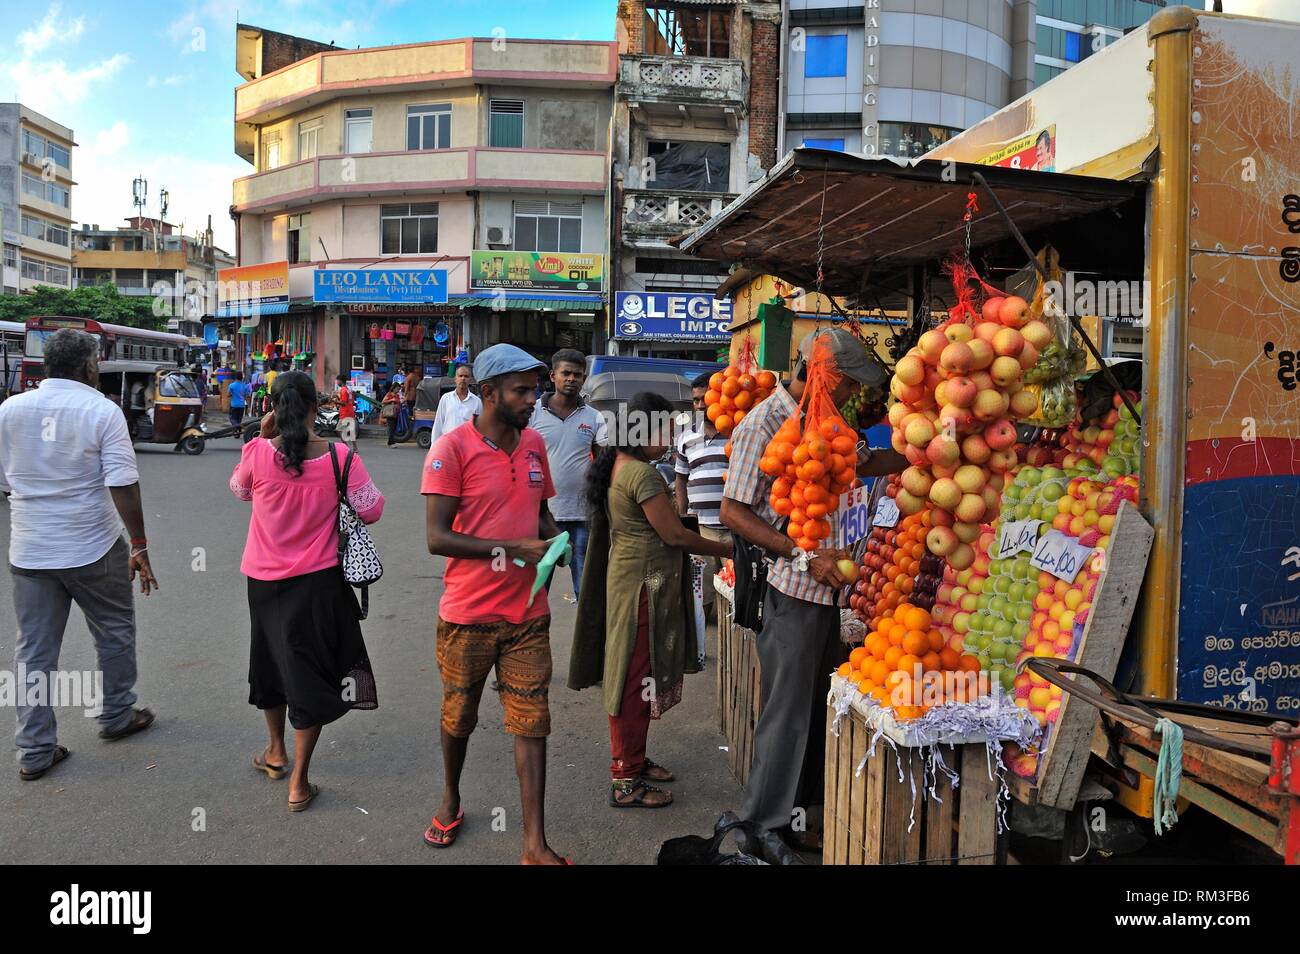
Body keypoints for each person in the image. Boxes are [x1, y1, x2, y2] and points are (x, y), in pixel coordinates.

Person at [721, 328, 904, 851]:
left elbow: (866, 463)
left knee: (812, 711)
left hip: (826, 593)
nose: (855, 397)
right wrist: (804, 555)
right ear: (830, 376)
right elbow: (732, 512)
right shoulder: (766, 422)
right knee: (786, 713)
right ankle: (759, 828)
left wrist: (931, 449)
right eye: (851, 386)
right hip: (793, 589)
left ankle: (792, 819)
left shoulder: (826, 422)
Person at [421, 343, 569, 864]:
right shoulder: (450, 450)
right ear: (489, 393)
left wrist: (558, 541)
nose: (534, 399)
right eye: (523, 391)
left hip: (528, 615)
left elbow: (541, 515)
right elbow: (437, 539)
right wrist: (513, 548)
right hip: (467, 615)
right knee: (459, 716)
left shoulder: (533, 445)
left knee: (533, 723)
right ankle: (451, 795)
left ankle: (534, 844)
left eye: (536, 389)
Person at [0, 329, 158, 781]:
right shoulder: (101, 410)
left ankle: (33, 751)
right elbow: (123, 482)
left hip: (30, 549)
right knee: (113, 631)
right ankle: (116, 715)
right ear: (90, 366)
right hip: (92, 545)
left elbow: (6, 477)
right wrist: (141, 545)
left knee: (33, 651)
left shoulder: (9, 410)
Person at [229, 370, 384, 812]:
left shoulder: (258, 453)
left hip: (262, 583)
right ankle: (298, 780)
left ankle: (275, 749)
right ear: (318, 406)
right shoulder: (340, 459)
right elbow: (371, 511)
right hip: (317, 585)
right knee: (309, 673)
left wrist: (259, 439)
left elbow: (240, 491)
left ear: (273, 409)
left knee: (270, 662)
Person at [570, 392, 731, 808]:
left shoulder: (623, 467)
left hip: (634, 583)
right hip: (642, 588)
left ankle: (635, 761)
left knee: (636, 676)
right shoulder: (641, 474)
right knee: (632, 680)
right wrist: (732, 550)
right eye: (665, 427)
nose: (673, 435)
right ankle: (625, 781)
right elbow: (673, 535)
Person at [528, 348, 606, 600]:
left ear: (584, 379)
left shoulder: (594, 417)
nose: (571, 379)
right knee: (536, 591)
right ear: (553, 376)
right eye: (566, 373)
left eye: (577, 374)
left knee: (586, 593)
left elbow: (604, 463)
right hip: (541, 516)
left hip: (583, 515)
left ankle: (587, 641)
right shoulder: (532, 414)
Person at [675, 371, 731, 619]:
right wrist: (683, 516)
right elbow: (680, 478)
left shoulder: (737, 431)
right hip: (701, 530)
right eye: (695, 400)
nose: (699, 405)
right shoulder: (686, 437)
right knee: (702, 595)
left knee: (736, 594)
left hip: (735, 529)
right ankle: (700, 648)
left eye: (704, 399)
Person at [431, 363, 481, 443]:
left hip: (467, 447)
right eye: (460, 376)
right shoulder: (446, 398)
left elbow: (479, 429)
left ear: (470, 380)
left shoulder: (477, 402)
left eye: (466, 376)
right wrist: (434, 448)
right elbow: (438, 424)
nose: (463, 378)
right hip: (448, 445)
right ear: (455, 379)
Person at [335, 373, 357, 451]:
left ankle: (346, 447)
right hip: (350, 412)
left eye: (337, 381)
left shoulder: (343, 390)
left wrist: (335, 401)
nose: (337, 382)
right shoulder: (348, 389)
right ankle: (355, 448)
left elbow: (343, 403)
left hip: (345, 413)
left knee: (338, 430)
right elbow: (351, 401)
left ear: (341, 381)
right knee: (350, 429)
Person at [381, 381, 403, 447]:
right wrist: (391, 400)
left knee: (393, 428)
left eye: (399, 389)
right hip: (390, 413)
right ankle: (390, 443)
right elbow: (383, 401)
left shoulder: (397, 395)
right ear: (394, 388)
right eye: (397, 388)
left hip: (396, 413)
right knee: (391, 428)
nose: (398, 390)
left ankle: (392, 442)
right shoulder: (389, 394)